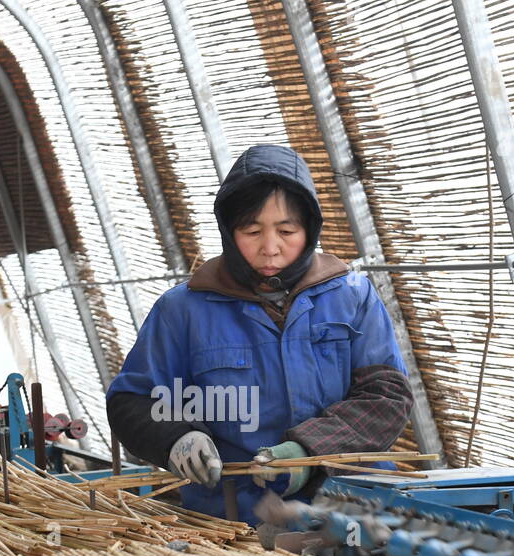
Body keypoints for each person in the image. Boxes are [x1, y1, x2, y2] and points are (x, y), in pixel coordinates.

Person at [106, 144, 414, 526]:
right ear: (229, 232)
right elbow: (133, 401)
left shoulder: (352, 296)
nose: (271, 248)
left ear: (310, 228)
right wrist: (176, 439)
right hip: (233, 522)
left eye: (287, 230)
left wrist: (308, 450)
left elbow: (386, 397)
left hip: (353, 511)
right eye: (252, 231)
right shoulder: (183, 310)